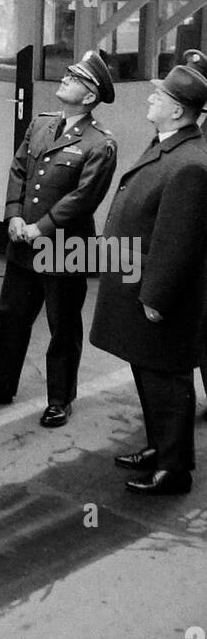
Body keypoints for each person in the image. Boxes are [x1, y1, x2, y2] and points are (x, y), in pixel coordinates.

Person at [0, 51, 117, 427]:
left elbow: (83, 199)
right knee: (11, 316)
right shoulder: (42, 124)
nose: (66, 77)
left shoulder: (100, 143)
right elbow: (18, 169)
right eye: (69, 72)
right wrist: (14, 214)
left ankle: (60, 399)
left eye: (75, 77)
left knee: (63, 324)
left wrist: (39, 228)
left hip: (65, 247)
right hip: (23, 240)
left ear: (89, 96)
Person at [90, 53, 207, 495]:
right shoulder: (169, 144)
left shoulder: (190, 162)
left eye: (159, 96)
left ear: (177, 110)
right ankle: (159, 446)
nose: (150, 98)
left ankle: (175, 469)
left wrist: (156, 296)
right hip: (136, 281)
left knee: (168, 380)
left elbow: (178, 240)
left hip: (157, 291)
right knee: (148, 372)